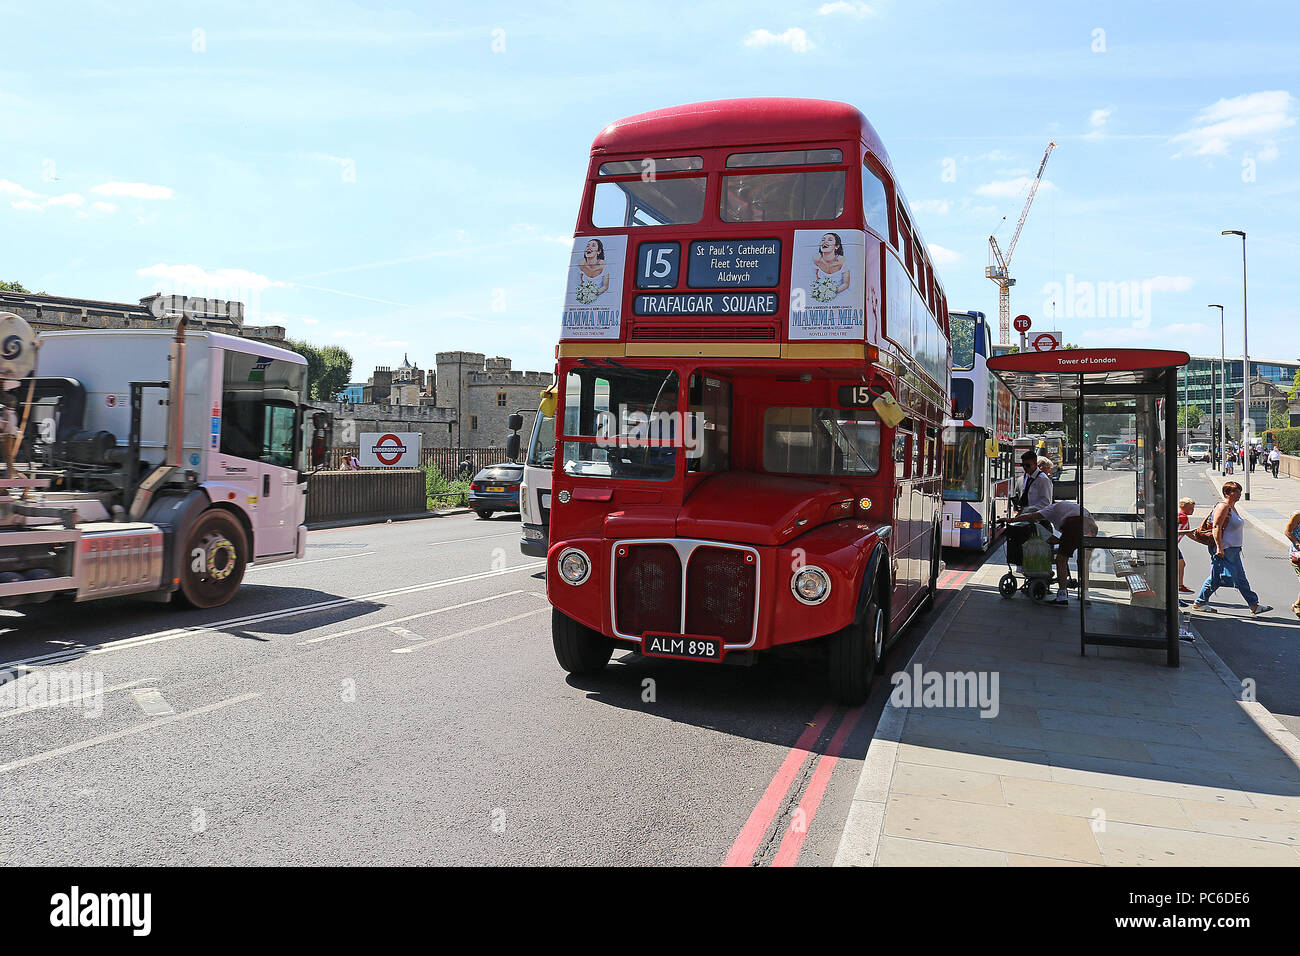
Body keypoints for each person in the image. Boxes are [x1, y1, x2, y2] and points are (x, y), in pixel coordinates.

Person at [1191, 480, 1272, 615]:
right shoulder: (1223, 507)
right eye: (1236, 491)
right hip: (1225, 549)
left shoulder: (1232, 507)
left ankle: (1254, 605)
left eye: (1240, 491)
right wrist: (1219, 547)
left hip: (1233, 550)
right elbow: (1216, 527)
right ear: (1227, 493)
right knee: (1219, 577)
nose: (1239, 494)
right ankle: (1200, 602)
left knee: (1239, 578)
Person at [1005, 500, 1097, 605]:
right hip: (1092, 526)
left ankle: (1062, 596)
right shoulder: (1066, 506)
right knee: (1083, 562)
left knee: (1061, 560)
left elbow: (1032, 516)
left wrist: (1011, 520)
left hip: (1075, 524)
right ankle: (1085, 595)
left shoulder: (1049, 509)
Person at [1006, 450, 1054, 568]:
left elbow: (1046, 503)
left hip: (1040, 520)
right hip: (1028, 519)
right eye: (1023, 465)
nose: (1025, 468)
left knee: (1039, 550)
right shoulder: (1026, 477)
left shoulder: (1043, 479)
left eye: (1028, 465)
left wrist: (1028, 510)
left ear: (1035, 464)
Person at [1176, 496, 1196, 594]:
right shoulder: (1181, 517)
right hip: (1172, 544)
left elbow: (1188, 534)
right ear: (1183, 507)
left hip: (1175, 544)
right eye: (1190, 508)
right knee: (1181, 564)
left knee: (1181, 564)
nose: (1193, 510)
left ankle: (1179, 585)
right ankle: (1179, 586)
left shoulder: (1184, 517)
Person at [1285, 510, 1300, 618]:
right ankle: (1297, 605)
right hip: (1297, 555)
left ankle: (1297, 604)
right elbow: (1287, 531)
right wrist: (1297, 543)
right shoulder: (1297, 515)